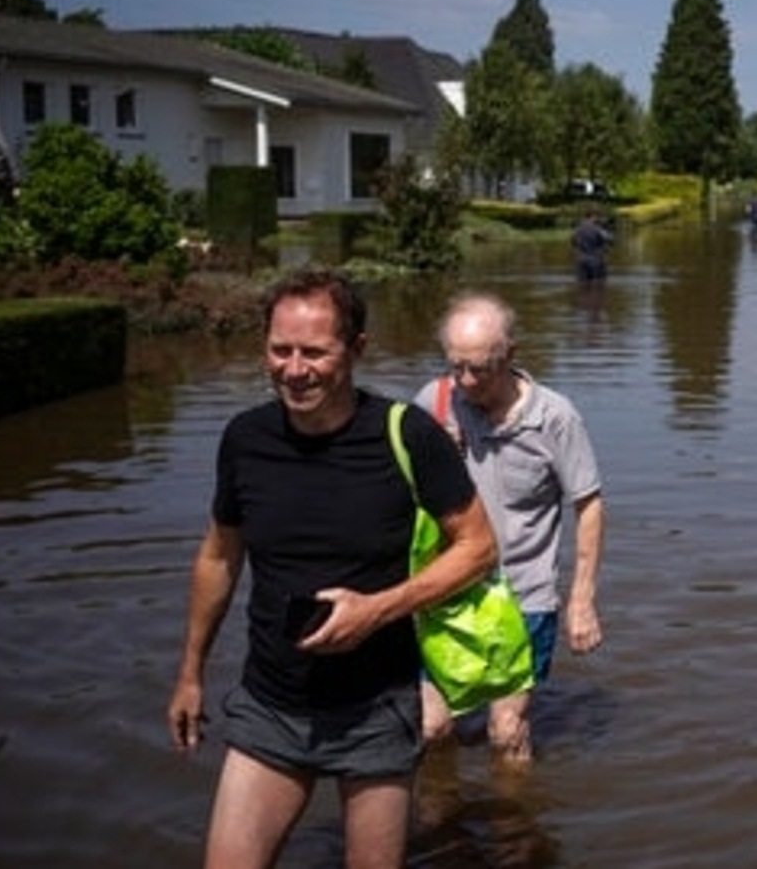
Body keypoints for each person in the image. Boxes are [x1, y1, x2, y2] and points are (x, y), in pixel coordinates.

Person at [166, 269, 500, 869]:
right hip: (271, 700)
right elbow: (219, 555)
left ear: (358, 349)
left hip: (376, 708)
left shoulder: (407, 435)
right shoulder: (245, 439)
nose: (294, 369)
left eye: (315, 353)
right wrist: (190, 673)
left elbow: (477, 548)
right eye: (279, 349)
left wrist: (377, 610)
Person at [414, 292, 605, 764]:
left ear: (510, 356)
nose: (465, 380)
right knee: (431, 727)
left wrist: (581, 599)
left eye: (479, 368)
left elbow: (589, 504)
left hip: (524, 597)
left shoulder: (555, 418)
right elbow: (401, 494)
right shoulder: (435, 404)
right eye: (455, 366)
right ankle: (446, 820)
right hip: (449, 595)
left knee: (506, 732)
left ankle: (516, 831)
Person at [571, 207, 614, 283]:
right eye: (598, 216)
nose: (599, 219)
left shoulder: (578, 229)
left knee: (582, 285)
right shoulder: (598, 229)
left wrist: (579, 250)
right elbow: (610, 240)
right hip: (596, 260)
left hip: (582, 260)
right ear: (593, 216)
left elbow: (573, 242)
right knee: (599, 285)